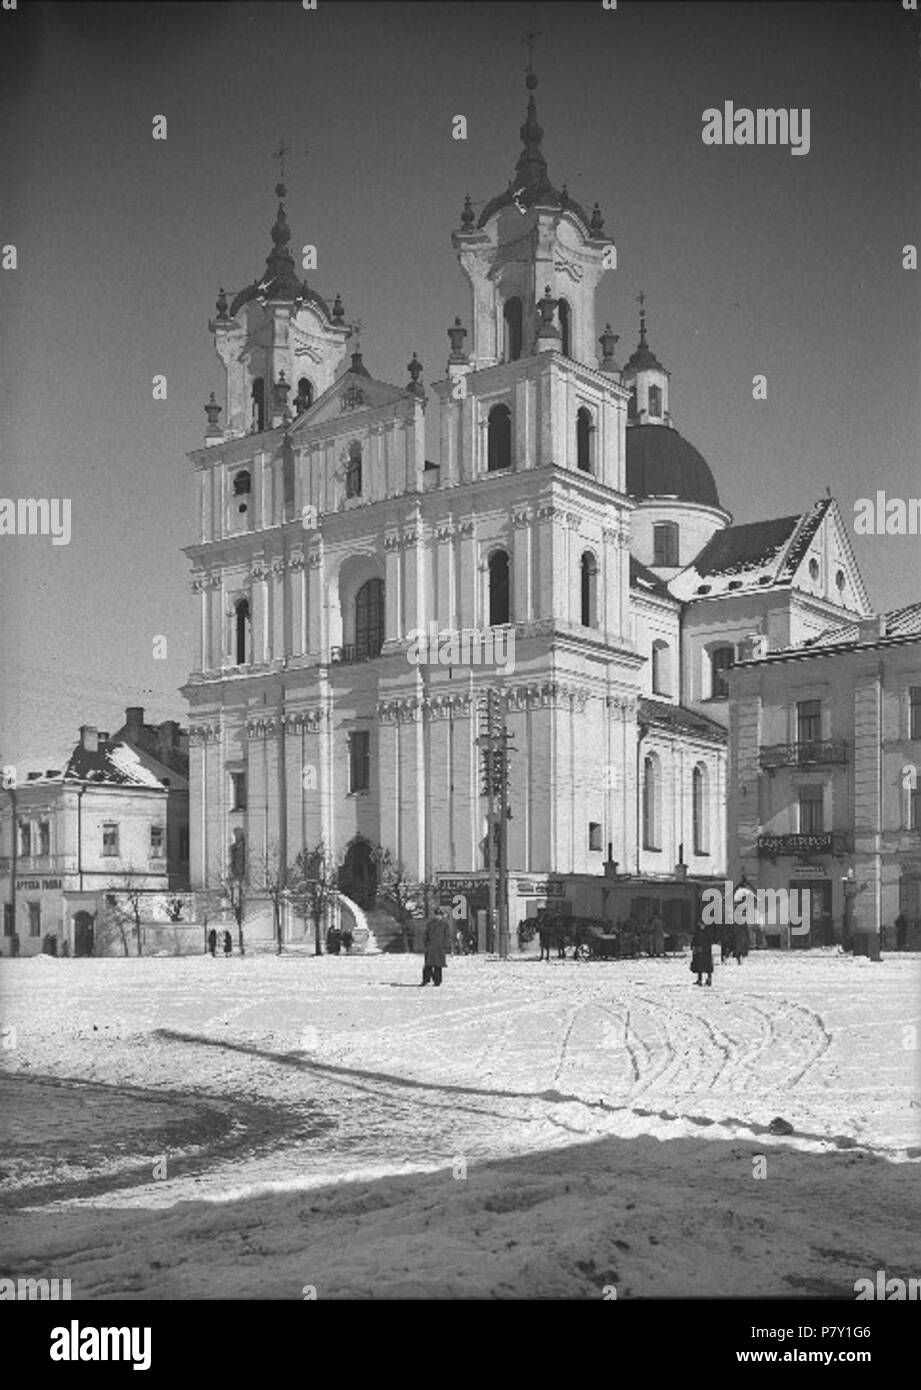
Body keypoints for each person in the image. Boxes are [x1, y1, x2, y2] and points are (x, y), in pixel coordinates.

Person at [421, 906, 451, 986]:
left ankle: (437, 981)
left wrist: (446, 946)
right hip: (430, 947)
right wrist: (426, 944)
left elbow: (447, 936)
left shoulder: (445, 925)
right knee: (428, 965)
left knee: (438, 966)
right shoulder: (430, 924)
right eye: (437, 915)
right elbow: (425, 935)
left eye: (440, 915)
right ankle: (426, 980)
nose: (438, 916)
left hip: (440, 948)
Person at [690, 921, 713, 986]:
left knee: (707, 967)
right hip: (699, 952)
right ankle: (699, 979)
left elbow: (709, 941)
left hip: (706, 952)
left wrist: (704, 947)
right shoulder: (698, 932)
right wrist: (693, 947)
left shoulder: (707, 933)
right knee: (699, 966)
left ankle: (709, 979)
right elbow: (694, 940)